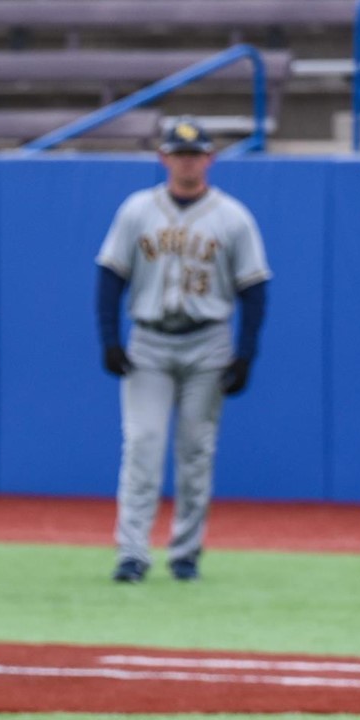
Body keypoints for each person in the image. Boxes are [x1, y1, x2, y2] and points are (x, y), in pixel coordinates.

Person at [95, 117, 271, 583]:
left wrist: (246, 352)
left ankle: (186, 552)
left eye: (195, 154)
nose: (187, 161)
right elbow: (110, 276)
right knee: (143, 445)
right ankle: (132, 553)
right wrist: (110, 339)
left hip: (208, 341)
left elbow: (253, 289)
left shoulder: (232, 216)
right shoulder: (138, 210)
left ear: (210, 159)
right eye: (179, 153)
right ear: (163, 158)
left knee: (196, 452)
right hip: (149, 340)